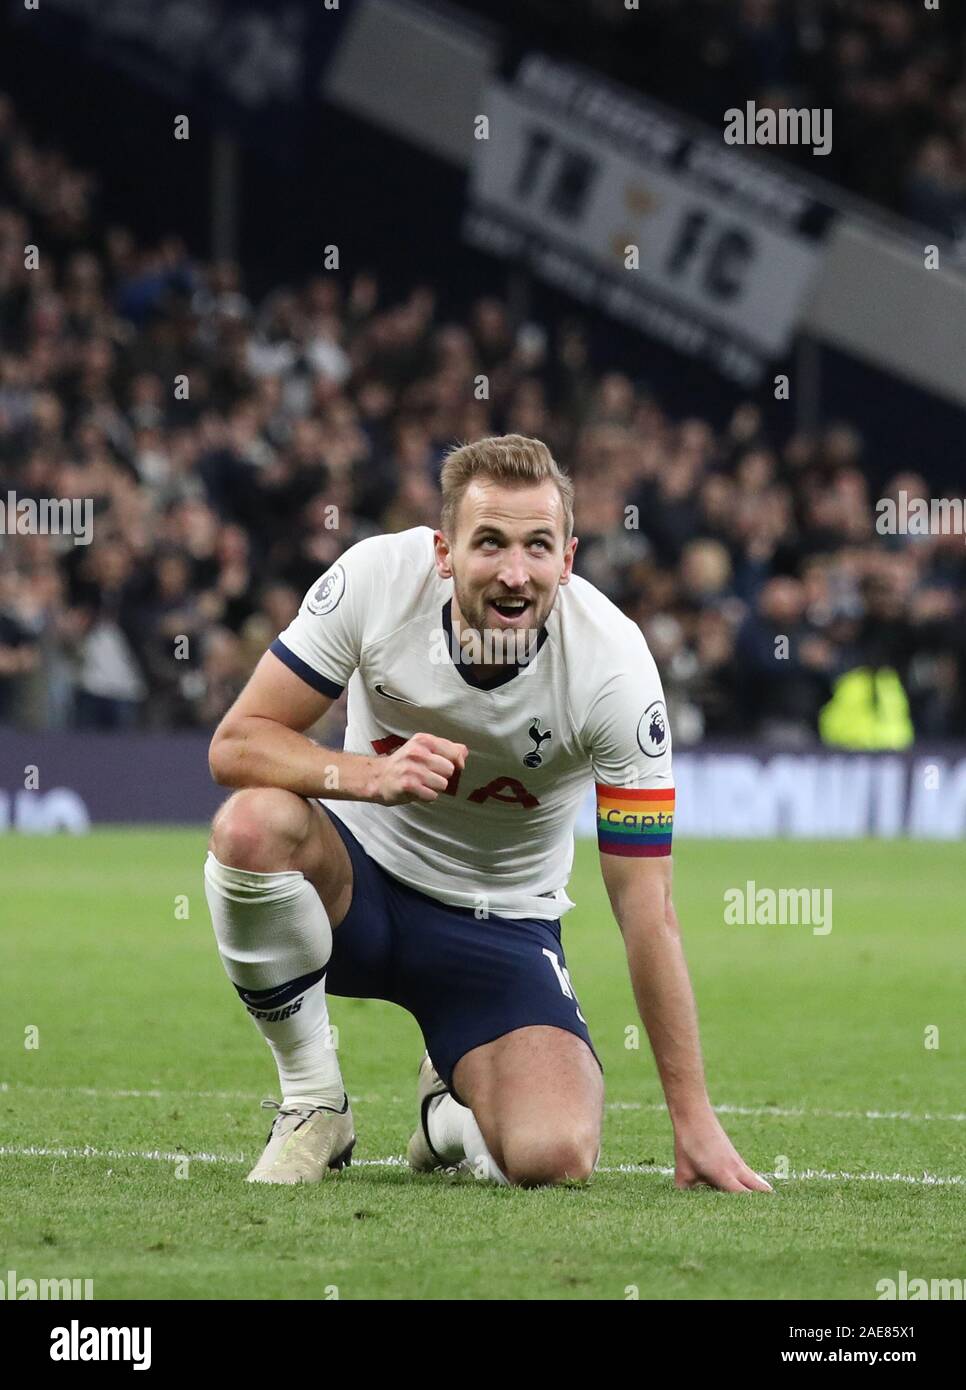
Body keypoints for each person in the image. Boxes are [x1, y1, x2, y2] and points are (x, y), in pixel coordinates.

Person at [203, 434, 771, 1192]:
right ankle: (314, 1102)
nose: (514, 572)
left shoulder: (615, 670)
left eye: (538, 547)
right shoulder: (376, 580)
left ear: (568, 558)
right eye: (490, 543)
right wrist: (367, 775)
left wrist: (693, 1119)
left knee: (554, 1157)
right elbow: (236, 743)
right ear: (444, 552)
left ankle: (447, 1109)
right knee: (250, 826)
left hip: (499, 925)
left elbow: (648, 908)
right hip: (355, 889)